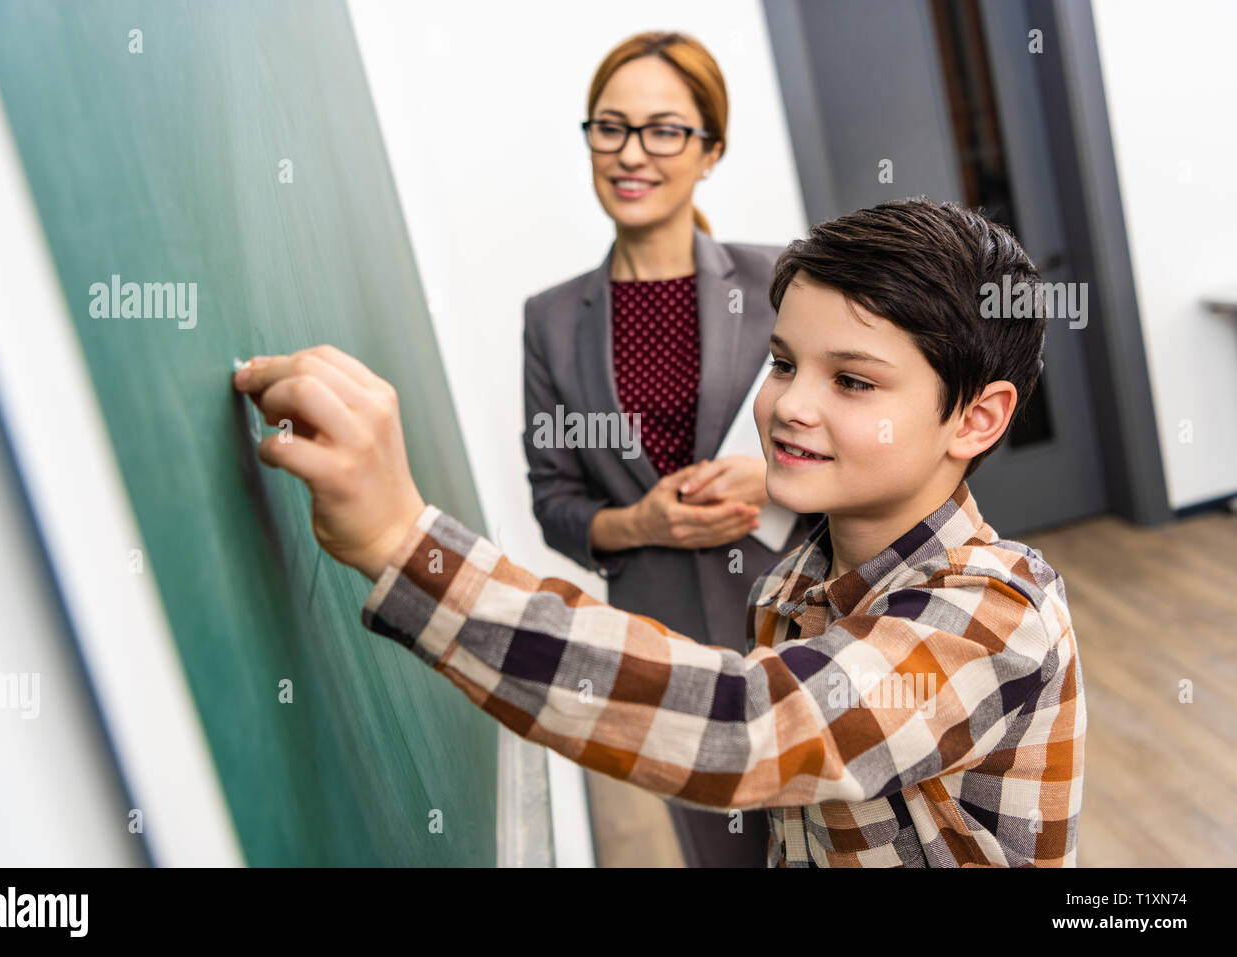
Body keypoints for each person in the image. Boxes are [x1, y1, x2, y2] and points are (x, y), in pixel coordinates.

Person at [232, 198, 1086, 867]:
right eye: (784, 362)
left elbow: (751, 729)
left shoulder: (997, 612)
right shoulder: (795, 584)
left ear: (976, 420)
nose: (790, 403)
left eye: (853, 381)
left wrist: (401, 542)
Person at [521, 30, 818, 867]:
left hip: (803, 614)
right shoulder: (550, 319)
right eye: (609, 127)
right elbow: (555, 500)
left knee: (849, 838)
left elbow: (869, 437)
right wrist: (641, 522)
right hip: (666, 640)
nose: (630, 153)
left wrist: (778, 477)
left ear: (711, 150)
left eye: (663, 130)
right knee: (722, 851)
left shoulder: (785, 279)